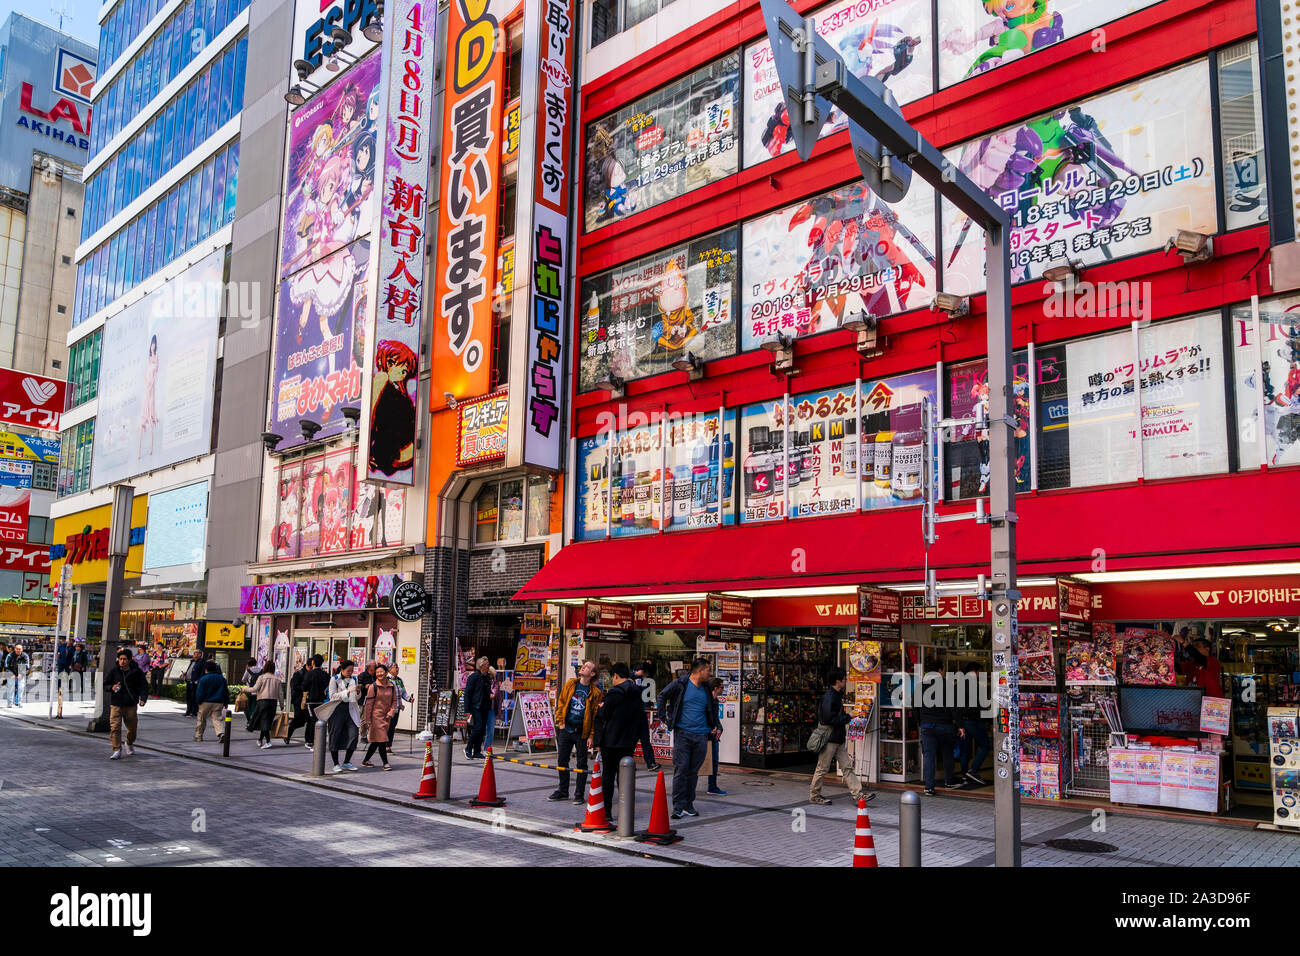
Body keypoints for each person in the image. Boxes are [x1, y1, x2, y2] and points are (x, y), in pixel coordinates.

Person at [656, 658, 720, 819]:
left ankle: (688, 804)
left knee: (693, 771)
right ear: (700, 670)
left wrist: (715, 725)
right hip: (683, 734)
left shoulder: (706, 688)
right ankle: (677, 806)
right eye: (708, 670)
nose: (710, 673)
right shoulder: (681, 684)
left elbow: (711, 707)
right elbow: (661, 696)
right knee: (681, 769)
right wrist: (664, 718)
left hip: (701, 735)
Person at [592, 662, 647, 819]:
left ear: (615, 676)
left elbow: (602, 716)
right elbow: (640, 718)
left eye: (612, 677)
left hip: (611, 742)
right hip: (628, 742)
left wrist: (598, 742)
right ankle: (625, 811)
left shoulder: (614, 693)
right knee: (625, 777)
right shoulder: (637, 693)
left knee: (608, 776)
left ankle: (607, 812)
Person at [809, 667, 871, 806]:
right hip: (830, 738)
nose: (846, 680)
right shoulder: (830, 697)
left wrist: (846, 717)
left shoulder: (836, 695)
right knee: (822, 768)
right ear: (838, 681)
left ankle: (858, 795)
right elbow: (828, 719)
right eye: (844, 679)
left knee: (847, 767)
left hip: (837, 738)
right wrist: (848, 716)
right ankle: (814, 795)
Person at [548, 660, 604, 804]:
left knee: (581, 763)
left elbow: (594, 716)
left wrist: (591, 736)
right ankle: (563, 791)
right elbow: (561, 702)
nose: (583, 667)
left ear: (592, 674)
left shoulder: (596, 693)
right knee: (562, 760)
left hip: (582, 732)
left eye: (587, 667)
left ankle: (579, 794)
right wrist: (560, 722)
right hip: (566, 728)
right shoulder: (571, 684)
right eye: (584, 665)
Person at [915, 658, 965, 796]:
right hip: (945, 725)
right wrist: (960, 725)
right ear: (940, 670)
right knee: (947, 753)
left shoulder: (920, 686)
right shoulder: (948, 685)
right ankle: (949, 781)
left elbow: (915, 707)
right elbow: (955, 707)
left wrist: (920, 721)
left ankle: (929, 787)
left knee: (929, 756)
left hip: (927, 726)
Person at [106, 649, 148, 760]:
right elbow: (106, 684)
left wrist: (143, 699)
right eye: (120, 659)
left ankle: (129, 743)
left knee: (132, 728)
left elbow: (144, 686)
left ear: (129, 660)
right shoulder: (114, 671)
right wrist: (112, 687)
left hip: (130, 704)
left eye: (125, 659)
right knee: (115, 727)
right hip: (116, 703)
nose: (122, 661)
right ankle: (116, 749)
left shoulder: (136, 672)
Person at [957, 662, 991, 786]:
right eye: (980, 671)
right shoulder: (977, 687)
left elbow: (955, 707)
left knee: (965, 750)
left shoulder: (958, 686)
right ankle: (973, 770)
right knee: (985, 745)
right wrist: (990, 721)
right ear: (975, 671)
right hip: (975, 721)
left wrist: (959, 724)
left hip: (963, 722)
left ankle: (965, 775)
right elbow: (982, 707)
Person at [327, 659, 362, 772]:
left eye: (352, 670)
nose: (350, 673)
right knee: (335, 735)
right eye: (348, 671)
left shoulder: (354, 679)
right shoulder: (334, 679)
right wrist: (347, 691)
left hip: (350, 709)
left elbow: (357, 698)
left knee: (354, 735)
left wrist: (357, 692)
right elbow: (332, 696)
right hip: (337, 709)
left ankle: (347, 761)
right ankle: (336, 763)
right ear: (342, 670)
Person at [361, 663, 398, 770]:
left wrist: (391, 712)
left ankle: (366, 760)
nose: (379, 674)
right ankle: (385, 763)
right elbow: (368, 705)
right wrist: (367, 719)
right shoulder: (373, 687)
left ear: (386, 672)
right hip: (375, 717)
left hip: (387, 718)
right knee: (382, 739)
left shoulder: (391, 686)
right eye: (377, 672)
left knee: (377, 741)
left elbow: (394, 701)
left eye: (381, 672)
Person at [247, 662, 284, 749]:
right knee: (266, 721)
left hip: (262, 702)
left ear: (265, 667)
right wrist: (282, 704)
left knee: (264, 721)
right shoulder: (277, 679)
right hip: (273, 703)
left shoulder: (262, 677)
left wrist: (244, 689)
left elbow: (254, 689)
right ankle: (260, 740)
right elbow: (281, 693)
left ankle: (268, 741)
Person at [632, 661, 662, 772]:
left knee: (644, 739)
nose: (647, 676)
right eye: (646, 673)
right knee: (634, 740)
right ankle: (629, 763)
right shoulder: (632, 679)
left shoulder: (643, 681)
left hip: (640, 713)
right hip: (634, 715)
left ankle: (650, 763)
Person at [1177, 632, 1225, 698]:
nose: (1194, 648)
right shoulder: (1192, 664)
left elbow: (1197, 655)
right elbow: (1176, 667)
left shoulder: (1213, 662)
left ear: (1207, 649)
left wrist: (1183, 642)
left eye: (1197, 646)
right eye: (1193, 646)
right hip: (1196, 703)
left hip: (1213, 703)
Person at [463, 657, 493, 760]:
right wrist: (467, 710)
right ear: (482, 666)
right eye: (487, 664)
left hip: (485, 706)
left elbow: (487, 691)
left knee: (482, 730)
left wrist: (490, 694)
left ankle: (477, 751)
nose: (489, 666)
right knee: (478, 728)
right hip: (476, 706)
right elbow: (467, 694)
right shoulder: (474, 677)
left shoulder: (487, 677)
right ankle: (468, 748)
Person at [194, 661, 229, 743]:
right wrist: (226, 702)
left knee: (201, 719)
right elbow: (225, 692)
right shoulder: (222, 679)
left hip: (205, 702)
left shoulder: (203, 679)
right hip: (218, 702)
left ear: (206, 670)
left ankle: (198, 736)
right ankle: (221, 733)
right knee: (217, 719)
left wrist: (198, 701)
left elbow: (200, 692)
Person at [301, 654, 330, 750]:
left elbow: (304, 686)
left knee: (312, 721)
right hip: (321, 700)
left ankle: (310, 741)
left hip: (311, 700)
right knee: (319, 720)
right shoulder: (325, 674)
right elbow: (327, 685)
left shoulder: (310, 674)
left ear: (313, 662)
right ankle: (318, 740)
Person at [706, 678, 728, 797]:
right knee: (697, 761)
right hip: (703, 734)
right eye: (721, 687)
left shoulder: (715, 701)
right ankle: (687, 787)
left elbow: (715, 718)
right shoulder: (706, 700)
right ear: (715, 688)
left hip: (713, 735)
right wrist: (708, 729)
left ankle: (712, 786)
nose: (723, 689)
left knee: (714, 760)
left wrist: (719, 728)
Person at [285, 657, 313, 746]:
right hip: (299, 701)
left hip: (308, 700)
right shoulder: (299, 674)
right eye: (311, 667)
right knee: (299, 719)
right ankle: (287, 734)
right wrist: (304, 688)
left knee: (309, 720)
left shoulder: (311, 674)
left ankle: (308, 740)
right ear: (308, 666)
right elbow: (294, 686)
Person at [388, 664, 413, 744]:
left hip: (397, 708)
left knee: (392, 727)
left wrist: (409, 699)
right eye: (396, 667)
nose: (397, 669)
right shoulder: (386, 680)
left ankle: (388, 745)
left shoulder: (399, 680)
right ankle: (385, 745)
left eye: (398, 667)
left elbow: (403, 692)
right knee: (388, 727)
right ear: (390, 669)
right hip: (388, 708)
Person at [184, 650, 205, 717]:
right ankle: (188, 711)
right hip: (189, 681)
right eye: (194, 653)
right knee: (188, 697)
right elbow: (190, 670)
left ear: (200, 654)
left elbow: (202, 673)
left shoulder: (202, 662)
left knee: (194, 697)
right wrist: (185, 674)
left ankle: (194, 711)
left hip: (195, 683)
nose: (194, 654)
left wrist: (198, 681)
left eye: (196, 653)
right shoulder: (192, 661)